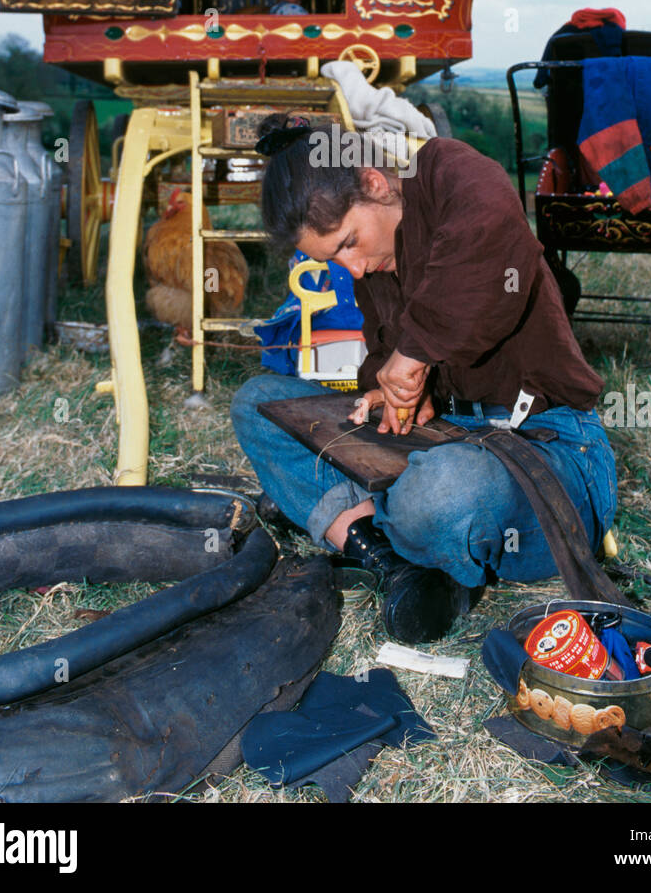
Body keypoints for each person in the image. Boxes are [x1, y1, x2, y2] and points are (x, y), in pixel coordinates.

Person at [230, 118, 617, 644]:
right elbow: (387, 356)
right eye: (335, 258)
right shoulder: (377, 262)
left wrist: (412, 358)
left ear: (374, 181)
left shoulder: (446, 172)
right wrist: (386, 390)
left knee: (437, 492)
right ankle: (394, 560)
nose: (355, 269)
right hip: (443, 441)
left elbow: (486, 243)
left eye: (349, 242)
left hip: (548, 450)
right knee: (259, 404)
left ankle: (381, 523)